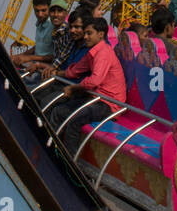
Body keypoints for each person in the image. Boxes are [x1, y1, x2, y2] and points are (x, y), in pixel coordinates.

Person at [44, 18, 125, 157]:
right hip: (95, 98)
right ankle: (51, 149)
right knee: (58, 111)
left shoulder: (103, 53)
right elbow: (75, 70)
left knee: (75, 121)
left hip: (108, 104)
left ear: (100, 34)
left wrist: (73, 88)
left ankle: (70, 160)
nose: (85, 37)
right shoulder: (92, 52)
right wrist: (56, 72)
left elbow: (94, 81)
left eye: (89, 33)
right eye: (85, 33)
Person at [12, 0, 54, 66]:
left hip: (46, 66)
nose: (40, 14)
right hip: (35, 62)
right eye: (37, 11)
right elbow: (39, 47)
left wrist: (30, 57)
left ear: (50, 8)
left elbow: (54, 56)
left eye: (43, 10)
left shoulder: (53, 26)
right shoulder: (39, 24)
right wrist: (20, 56)